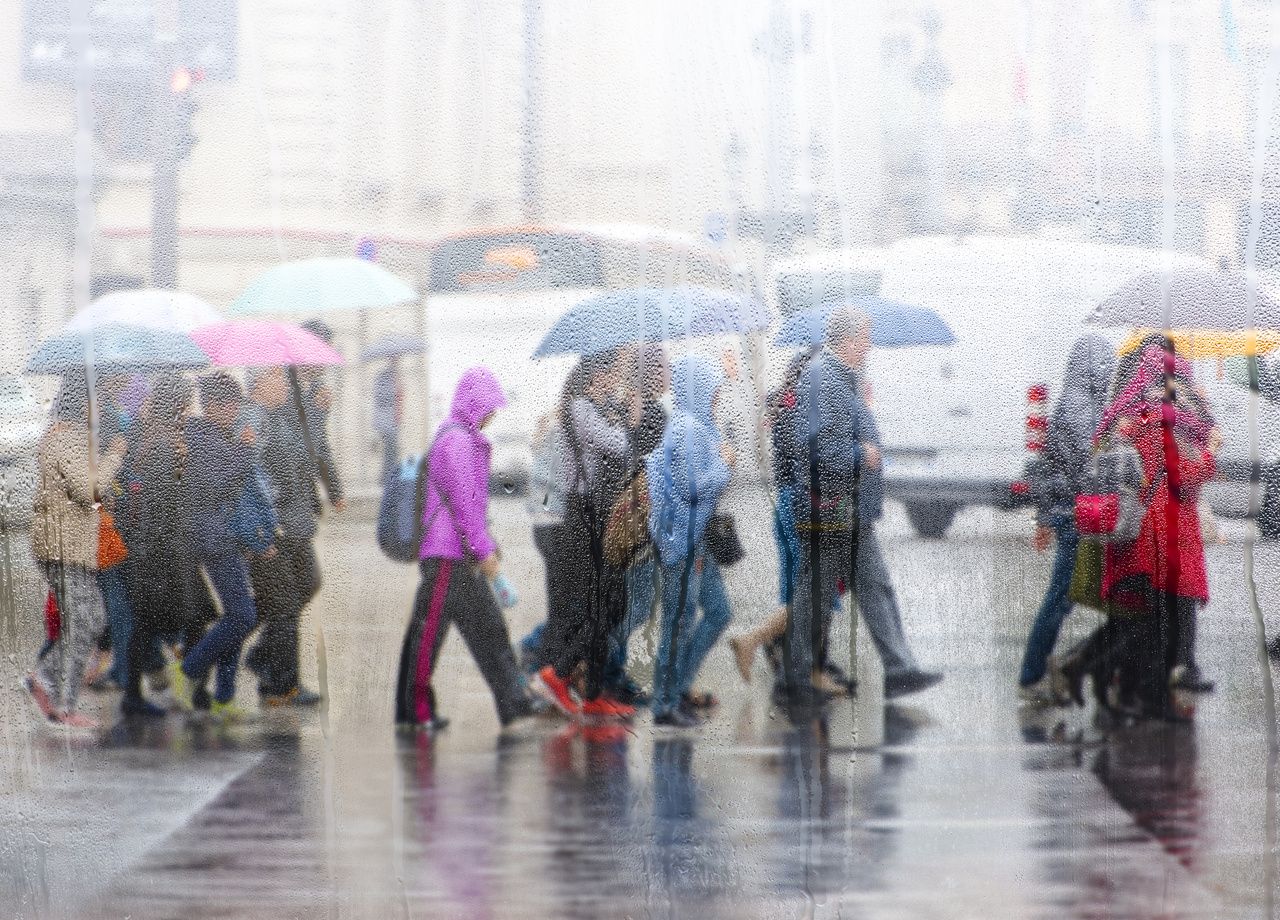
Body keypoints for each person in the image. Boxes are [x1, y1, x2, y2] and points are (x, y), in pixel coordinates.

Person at [778, 307, 942, 714]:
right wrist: (859, 454)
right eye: (866, 337)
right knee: (815, 594)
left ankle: (897, 670)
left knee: (866, 588)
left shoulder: (840, 379)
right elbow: (813, 447)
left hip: (846, 509)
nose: (869, 345)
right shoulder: (824, 380)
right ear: (850, 340)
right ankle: (797, 678)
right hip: (832, 507)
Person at [1061, 345, 1219, 719]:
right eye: (1181, 377)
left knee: (1146, 619)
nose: (1186, 384)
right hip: (1164, 532)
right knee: (1154, 623)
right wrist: (1211, 451)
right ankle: (1121, 681)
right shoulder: (1165, 419)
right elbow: (1185, 475)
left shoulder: (1134, 415)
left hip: (1146, 531)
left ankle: (1121, 685)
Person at [394, 367, 533, 732]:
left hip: (460, 554)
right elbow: (465, 502)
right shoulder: (456, 441)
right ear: (476, 404)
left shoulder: (464, 438)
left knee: (489, 628)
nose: (493, 414)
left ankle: (515, 702)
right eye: (490, 406)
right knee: (428, 635)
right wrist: (484, 550)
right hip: (445, 556)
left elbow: (471, 507)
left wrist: (485, 545)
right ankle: (415, 711)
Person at [531, 350, 638, 720]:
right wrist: (628, 418)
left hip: (589, 513)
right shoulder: (580, 410)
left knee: (607, 603)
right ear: (598, 376)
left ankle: (586, 687)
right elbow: (621, 446)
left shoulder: (587, 408)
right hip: (580, 517)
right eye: (613, 375)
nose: (617, 383)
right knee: (598, 603)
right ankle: (557, 675)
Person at [1017, 335, 1116, 704]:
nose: (1110, 372)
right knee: (1062, 598)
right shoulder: (1081, 410)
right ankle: (1035, 674)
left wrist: (1045, 516)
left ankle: (1072, 666)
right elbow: (1086, 468)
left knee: (1071, 597)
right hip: (1077, 515)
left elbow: (1047, 466)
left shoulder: (1073, 403)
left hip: (1069, 512)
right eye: (1105, 363)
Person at [25, 379, 128, 730]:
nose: (99, 410)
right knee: (87, 620)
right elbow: (89, 491)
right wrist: (114, 455)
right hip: (64, 545)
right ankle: (60, 700)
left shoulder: (68, 438)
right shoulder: (68, 438)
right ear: (81, 405)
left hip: (69, 543)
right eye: (95, 403)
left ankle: (51, 685)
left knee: (90, 618)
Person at [169, 373, 270, 721]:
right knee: (243, 615)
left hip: (223, 534)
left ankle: (224, 697)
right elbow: (220, 480)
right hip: (213, 537)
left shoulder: (210, 436)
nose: (237, 411)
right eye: (233, 405)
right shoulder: (203, 437)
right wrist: (243, 449)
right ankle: (188, 672)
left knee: (238, 616)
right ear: (214, 406)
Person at [646, 355, 735, 727]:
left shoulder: (699, 425)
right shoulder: (686, 429)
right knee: (678, 620)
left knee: (718, 612)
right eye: (712, 390)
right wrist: (724, 464)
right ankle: (664, 703)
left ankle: (678, 687)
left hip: (696, 538)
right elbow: (691, 487)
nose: (717, 397)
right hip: (682, 541)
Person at [241, 366, 324, 707]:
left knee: (308, 582)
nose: (284, 383)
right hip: (271, 527)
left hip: (293, 522)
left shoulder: (277, 416)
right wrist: (265, 520)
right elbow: (248, 473)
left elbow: (307, 454)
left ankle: (261, 655)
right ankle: (281, 685)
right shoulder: (252, 420)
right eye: (276, 378)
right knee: (284, 604)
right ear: (259, 383)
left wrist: (318, 414)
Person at [117, 373, 197, 717]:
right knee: (182, 619)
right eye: (187, 401)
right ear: (178, 405)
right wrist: (182, 468)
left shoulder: (149, 436)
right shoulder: (165, 445)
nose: (191, 408)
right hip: (159, 548)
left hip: (147, 544)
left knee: (149, 623)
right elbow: (167, 500)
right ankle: (153, 693)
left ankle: (140, 692)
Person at [298, 319, 347, 513]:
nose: (328, 357)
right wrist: (313, 410)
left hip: (302, 496)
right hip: (282, 498)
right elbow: (292, 445)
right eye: (324, 350)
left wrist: (334, 490)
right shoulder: (281, 389)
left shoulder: (316, 389)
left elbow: (319, 445)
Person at [373, 355, 405, 481]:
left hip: (394, 420)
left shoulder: (397, 376)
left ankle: (388, 475)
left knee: (392, 448)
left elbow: (399, 398)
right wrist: (395, 391)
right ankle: (388, 476)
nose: (397, 362)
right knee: (390, 448)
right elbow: (380, 396)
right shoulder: (384, 376)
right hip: (385, 420)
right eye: (394, 360)